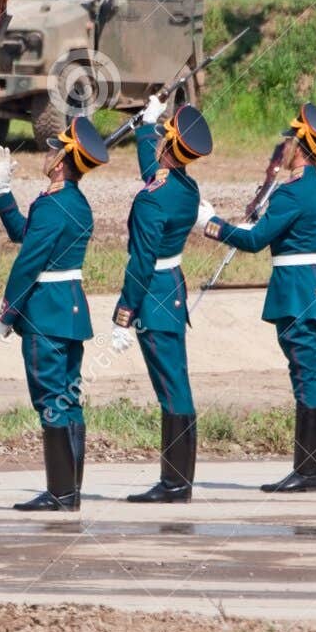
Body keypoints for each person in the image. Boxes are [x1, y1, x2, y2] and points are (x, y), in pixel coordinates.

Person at [199, 103, 316, 493]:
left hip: (295, 290)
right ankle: (315, 470)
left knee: (305, 377)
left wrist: (211, 224)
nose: (284, 147)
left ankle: (309, 472)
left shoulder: (291, 194)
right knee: (314, 375)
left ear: (301, 146)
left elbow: (254, 241)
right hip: (313, 286)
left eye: (289, 141)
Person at [0, 116, 109, 512]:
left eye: (52, 149)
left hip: (47, 311)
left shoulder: (56, 205)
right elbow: (27, 233)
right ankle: (69, 490)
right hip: (70, 309)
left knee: (51, 400)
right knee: (68, 398)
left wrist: (9, 310)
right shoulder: (70, 201)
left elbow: (29, 260)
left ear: (61, 162)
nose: (47, 152)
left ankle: (60, 493)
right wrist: (3, 191)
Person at [114, 99, 212, 503]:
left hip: (152, 294)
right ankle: (177, 480)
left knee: (172, 390)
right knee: (176, 385)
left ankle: (175, 483)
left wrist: (124, 313)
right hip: (171, 289)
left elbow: (140, 262)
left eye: (160, 138)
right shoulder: (185, 189)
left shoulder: (152, 199)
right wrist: (147, 126)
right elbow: (154, 172)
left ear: (168, 149)